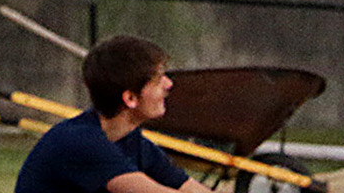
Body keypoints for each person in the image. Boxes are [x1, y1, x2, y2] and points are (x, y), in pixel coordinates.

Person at [14, 35, 217, 193]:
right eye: (158, 80)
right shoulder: (79, 141)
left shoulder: (132, 142)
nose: (169, 84)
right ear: (130, 98)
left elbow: (188, 187)